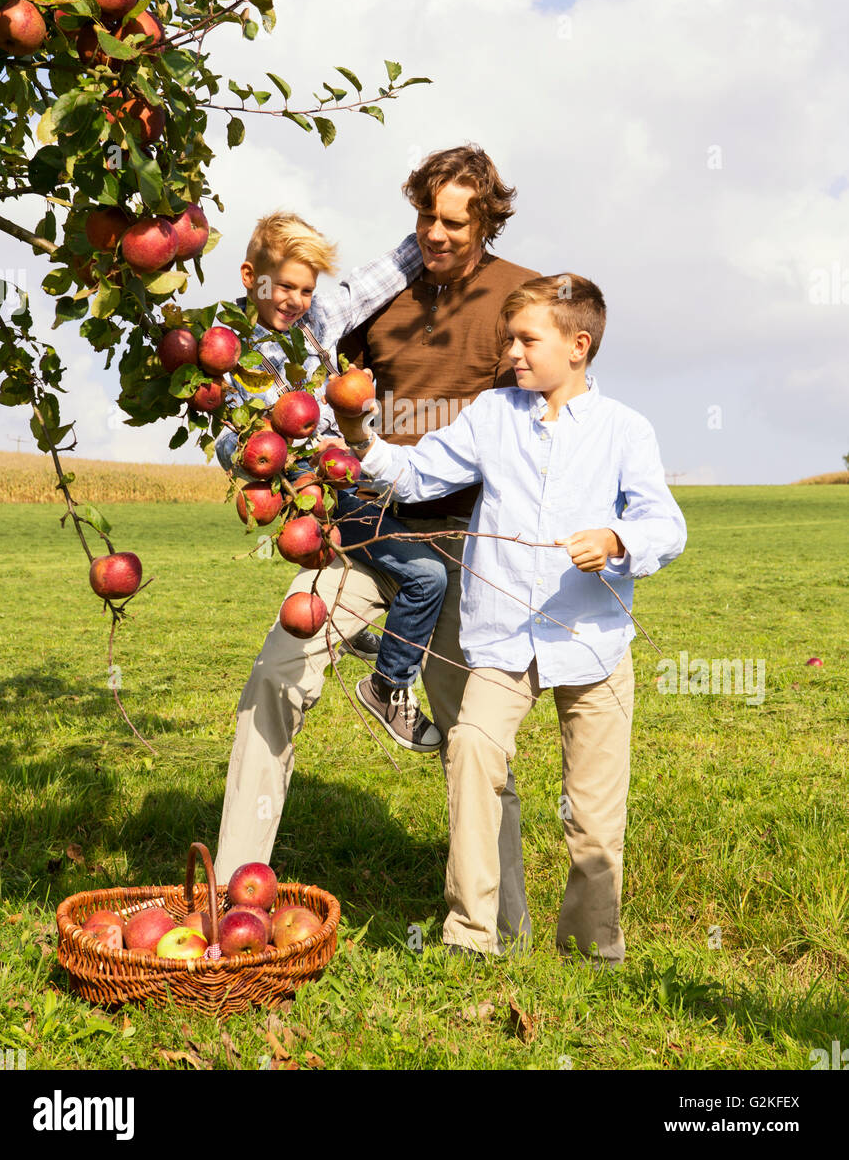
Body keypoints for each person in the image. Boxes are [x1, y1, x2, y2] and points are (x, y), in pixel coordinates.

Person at [213, 147, 538, 922]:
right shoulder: (377, 305)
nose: (435, 233)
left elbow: (549, 413)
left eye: (454, 221)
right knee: (277, 676)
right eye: (424, 216)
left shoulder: (520, 299)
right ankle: (234, 896)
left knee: (472, 733)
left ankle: (496, 922)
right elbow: (305, 393)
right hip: (367, 530)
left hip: (468, 546)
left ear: (486, 220)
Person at [332, 273, 687, 963]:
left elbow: (662, 523)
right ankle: (475, 934)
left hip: (595, 643)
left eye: (529, 340)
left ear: (578, 345)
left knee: (592, 818)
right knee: (470, 751)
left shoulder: (624, 431)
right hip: (500, 638)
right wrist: (357, 432)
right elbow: (417, 476)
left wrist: (618, 542)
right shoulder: (493, 415)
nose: (513, 353)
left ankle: (592, 949)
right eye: (510, 339)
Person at [214, 210, 446, 754]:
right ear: (251, 278)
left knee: (398, 566)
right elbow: (225, 441)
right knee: (428, 577)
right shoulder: (226, 353)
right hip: (314, 494)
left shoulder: (319, 318)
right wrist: (278, 453)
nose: (294, 300)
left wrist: (437, 228)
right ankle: (390, 687)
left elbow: (388, 271)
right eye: (283, 286)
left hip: (351, 483)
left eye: (305, 288)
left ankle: (355, 630)